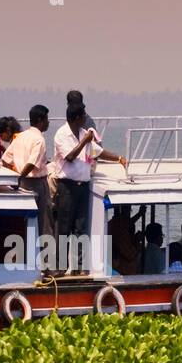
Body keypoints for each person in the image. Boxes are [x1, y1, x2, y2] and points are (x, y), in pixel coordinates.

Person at [52, 102, 127, 274]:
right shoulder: (62, 135)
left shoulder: (83, 133)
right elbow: (70, 156)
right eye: (83, 114)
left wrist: (119, 158)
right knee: (64, 228)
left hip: (82, 186)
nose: (86, 117)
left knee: (80, 227)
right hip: (67, 186)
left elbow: (97, 152)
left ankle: (79, 267)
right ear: (76, 117)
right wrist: (84, 141)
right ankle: (60, 267)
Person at [2, 105, 54, 269]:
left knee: (25, 224)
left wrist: (15, 178)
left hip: (22, 184)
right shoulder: (39, 139)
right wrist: (20, 177)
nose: (48, 122)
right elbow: (32, 163)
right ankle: (47, 267)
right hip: (36, 183)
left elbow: (5, 159)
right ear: (40, 120)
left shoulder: (20, 137)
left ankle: (27, 262)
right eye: (46, 119)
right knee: (45, 225)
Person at [108, 205, 145, 276]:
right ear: (125, 211)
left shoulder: (112, 224)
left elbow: (129, 222)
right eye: (129, 211)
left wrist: (139, 214)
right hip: (123, 271)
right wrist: (137, 240)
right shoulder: (119, 228)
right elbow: (130, 254)